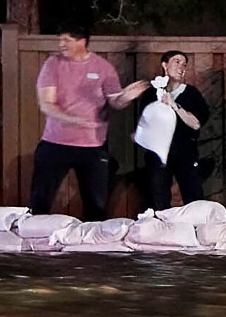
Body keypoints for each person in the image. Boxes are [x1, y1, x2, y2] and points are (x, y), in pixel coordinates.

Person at [32, 26, 148, 219]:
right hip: (55, 143)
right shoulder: (52, 64)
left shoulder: (102, 67)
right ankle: (32, 243)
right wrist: (72, 119)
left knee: (96, 205)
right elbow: (46, 103)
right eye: (60, 39)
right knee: (40, 201)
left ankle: (92, 246)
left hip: (92, 147)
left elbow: (115, 101)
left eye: (66, 40)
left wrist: (126, 96)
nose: (61, 44)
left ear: (82, 41)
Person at [139, 49, 210, 208]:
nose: (181, 67)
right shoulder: (151, 93)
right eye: (176, 62)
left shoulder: (191, 94)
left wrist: (175, 106)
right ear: (165, 65)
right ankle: (161, 228)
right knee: (158, 197)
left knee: (193, 195)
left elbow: (196, 123)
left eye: (184, 64)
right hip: (158, 153)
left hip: (185, 151)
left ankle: (196, 228)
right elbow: (144, 123)